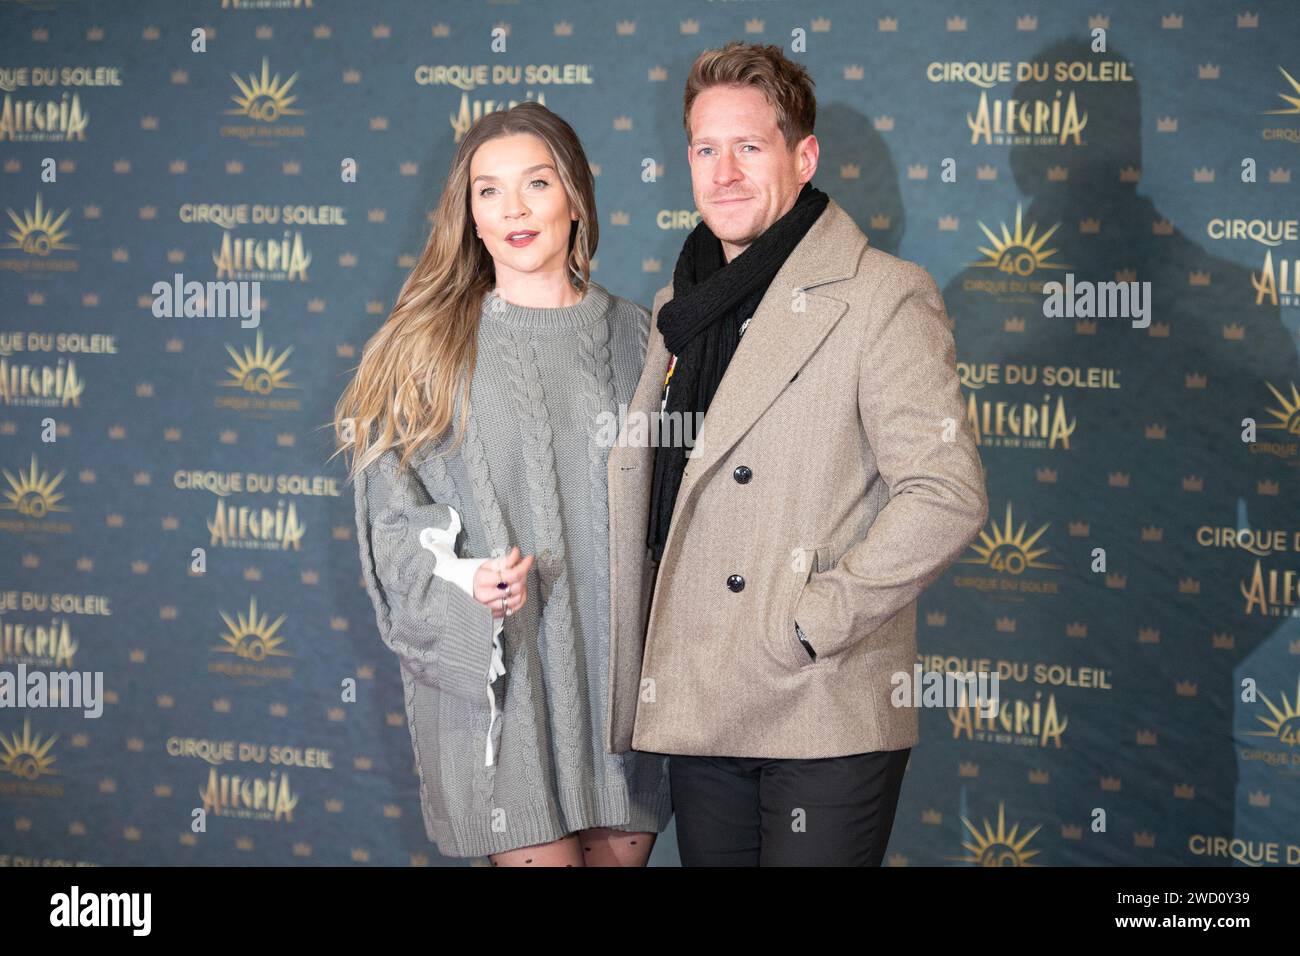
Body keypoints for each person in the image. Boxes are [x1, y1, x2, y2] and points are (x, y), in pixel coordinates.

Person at [604, 42, 988, 865]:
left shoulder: (882, 293)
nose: (725, 172)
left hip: (821, 701)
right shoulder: (682, 305)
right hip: (704, 700)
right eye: (706, 149)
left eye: (750, 146)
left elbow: (944, 492)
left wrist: (808, 624)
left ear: (803, 156)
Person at [336, 101, 670, 866]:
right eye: (489, 191)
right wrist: (467, 579)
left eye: (537, 183)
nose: (513, 209)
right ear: (470, 215)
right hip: (506, 699)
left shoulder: (645, 339)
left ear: (575, 200)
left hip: (620, 710)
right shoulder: (421, 347)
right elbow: (388, 525)